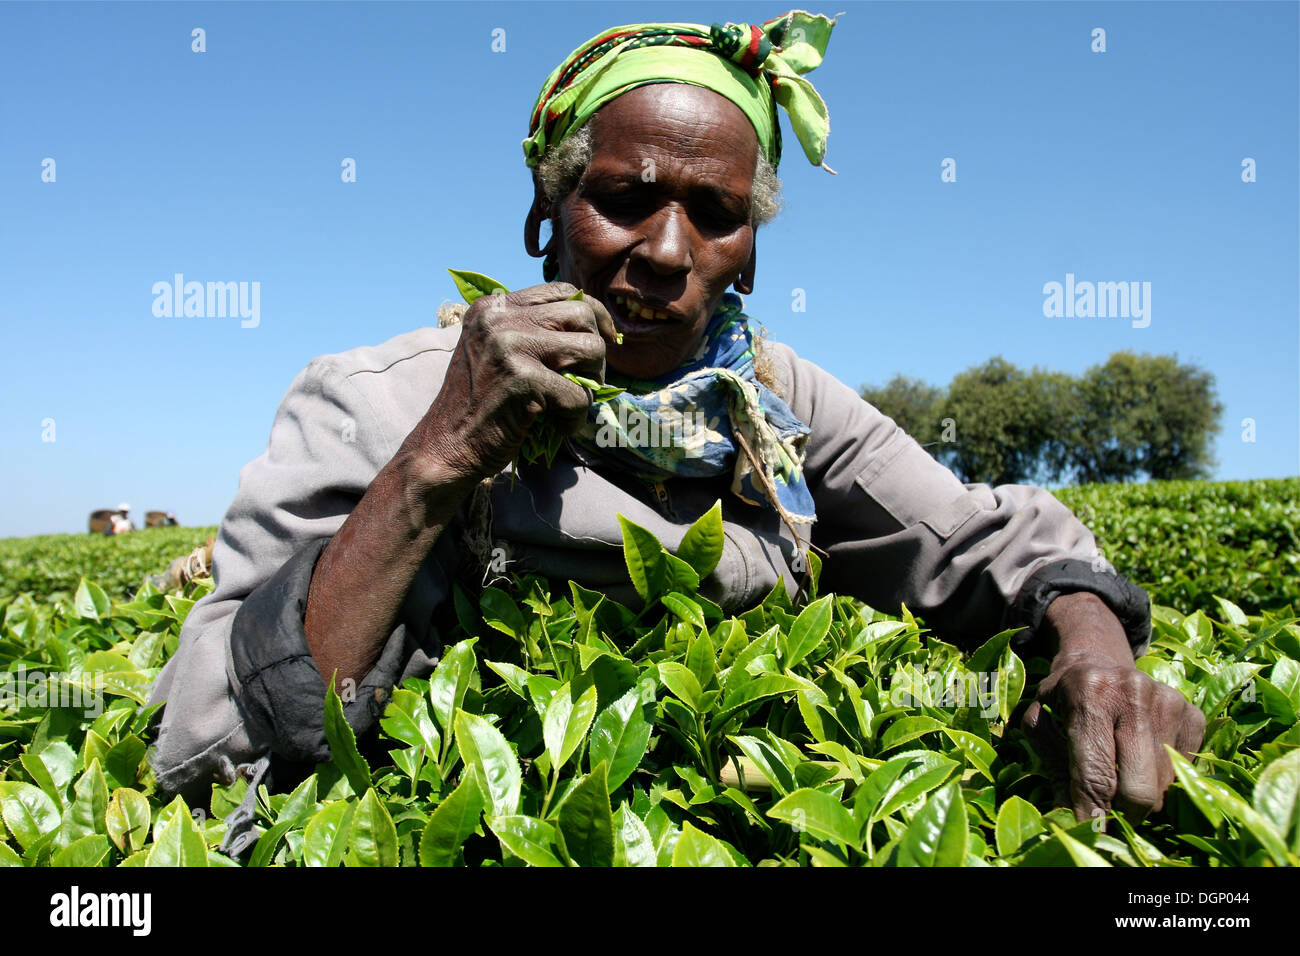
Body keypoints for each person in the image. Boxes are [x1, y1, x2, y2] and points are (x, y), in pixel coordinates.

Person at [146, 11, 1204, 830]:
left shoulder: (775, 401)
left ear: (751, 249)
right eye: (624, 197)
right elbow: (203, 742)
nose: (664, 249)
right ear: (543, 214)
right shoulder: (379, 396)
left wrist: (1091, 647)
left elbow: (982, 538)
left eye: (715, 213)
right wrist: (439, 460)